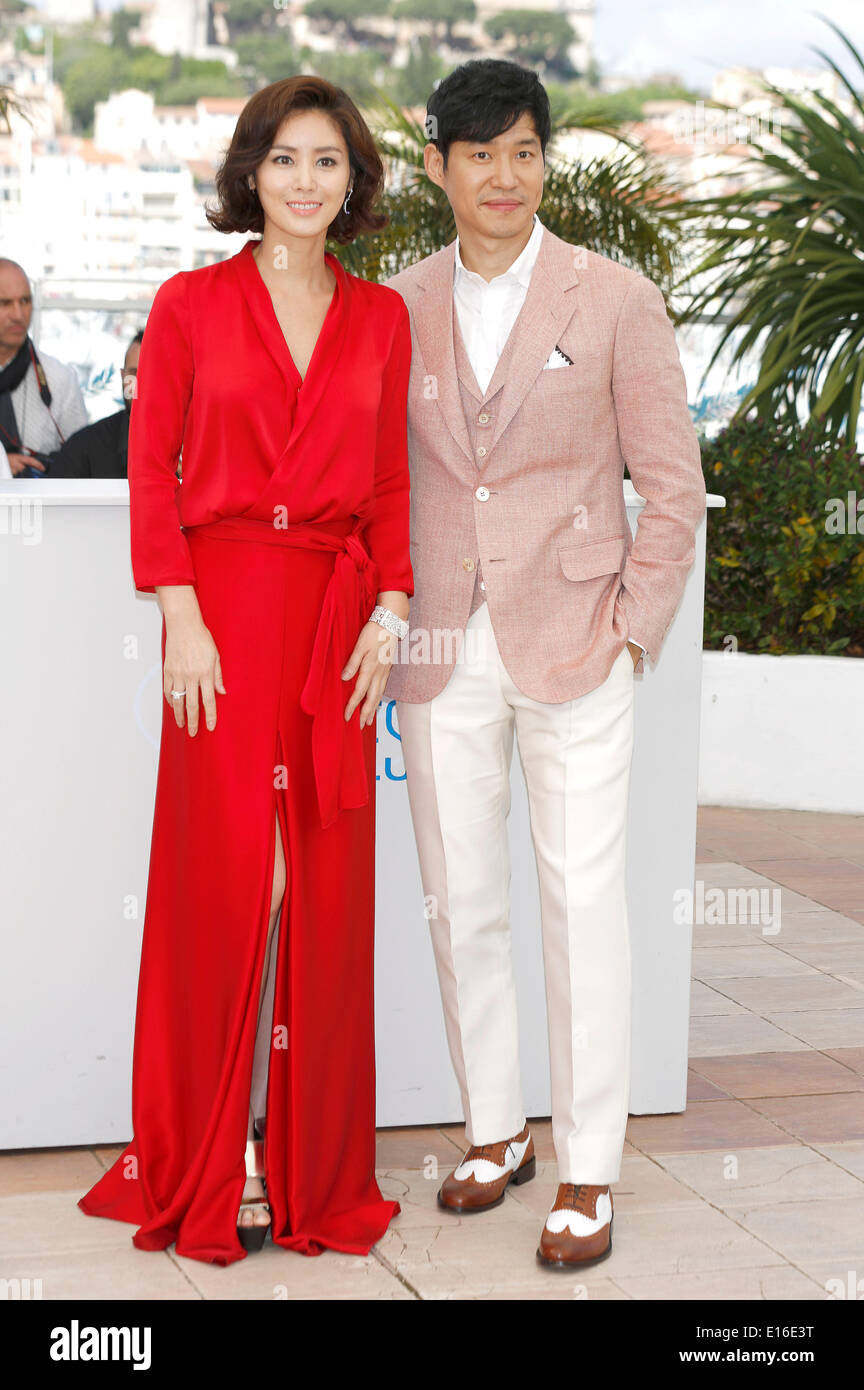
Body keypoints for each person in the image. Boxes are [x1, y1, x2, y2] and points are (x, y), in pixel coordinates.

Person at [78, 75, 413, 1264]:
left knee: (324, 890)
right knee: (234, 884)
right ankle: (204, 1155)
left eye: (328, 161)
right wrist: (178, 612)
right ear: (250, 174)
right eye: (285, 160)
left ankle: (302, 1164)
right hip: (216, 624)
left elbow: (386, 487)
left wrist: (391, 604)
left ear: (353, 180)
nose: (306, 182)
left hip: (333, 631)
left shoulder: (381, 320)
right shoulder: (187, 303)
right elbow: (154, 471)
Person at [384, 59, 706, 1269]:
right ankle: (491, 1130)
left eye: (523, 151)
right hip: (440, 642)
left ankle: (588, 1166)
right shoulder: (397, 303)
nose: (503, 176)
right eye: (479, 156)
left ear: (542, 160)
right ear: (439, 169)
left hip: (579, 643)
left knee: (580, 906)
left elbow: (670, 490)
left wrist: (630, 627)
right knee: (463, 898)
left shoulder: (614, 298)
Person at [0, 258, 87, 477]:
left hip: (42, 509)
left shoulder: (60, 379)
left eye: (25, 301)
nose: (19, 315)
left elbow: (83, 463)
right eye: (5, 303)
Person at [49, 333, 142, 478]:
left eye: (153, 372)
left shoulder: (188, 446)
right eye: (134, 373)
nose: (142, 382)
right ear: (123, 376)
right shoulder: (84, 448)